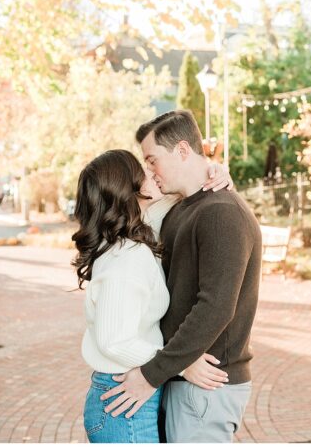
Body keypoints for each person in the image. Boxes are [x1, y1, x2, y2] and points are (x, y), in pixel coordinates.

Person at [101, 110, 263, 443]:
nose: (149, 171)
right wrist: (176, 364)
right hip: (184, 376)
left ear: (183, 150)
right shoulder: (181, 209)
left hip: (208, 385)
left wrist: (152, 374)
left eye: (152, 160)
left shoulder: (221, 213)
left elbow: (216, 306)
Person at [73, 149, 231, 443]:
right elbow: (114, 341)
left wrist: (213, 172)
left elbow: (181, 192)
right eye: (143, 169)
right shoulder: (125, 258)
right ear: (130, 188)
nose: (152, 171)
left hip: (128, 397)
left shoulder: (135, 232)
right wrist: (181, 363)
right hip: (122, 403)